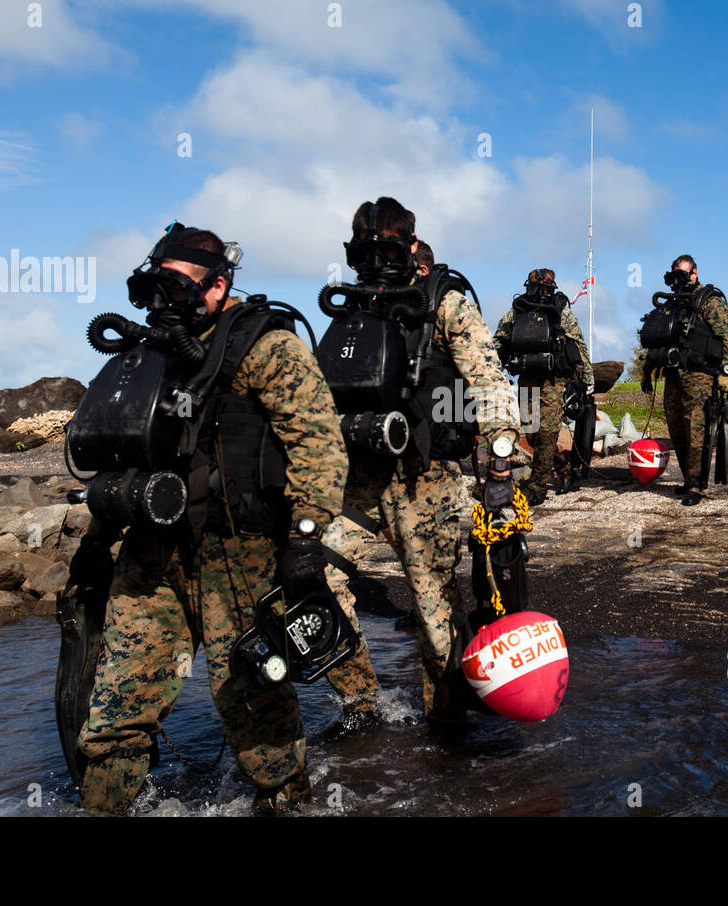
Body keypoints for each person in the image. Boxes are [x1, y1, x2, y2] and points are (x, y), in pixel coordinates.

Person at [72, 226, 349, 814]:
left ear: (219, 285)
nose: (162, 303)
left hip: (240, 559)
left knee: (259, 719)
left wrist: (306, 536)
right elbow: (123, 457)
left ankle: (289, 804)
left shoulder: (266, 347)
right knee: (117, 713)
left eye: (179, 287)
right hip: (153, 555)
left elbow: (319, 446)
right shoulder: (146, 355)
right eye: (155, 288)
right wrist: (97, 541)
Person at [319, 197, 522, 721]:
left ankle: (447, 714)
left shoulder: (445, 301)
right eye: (362, 251)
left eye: (385, 247)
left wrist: (500, 462)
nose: (373, 261)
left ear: (411, 246)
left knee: (433, 612)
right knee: (315, 577)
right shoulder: (352, 306)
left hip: (423, 476)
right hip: (356, 473)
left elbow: (489, 379)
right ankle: (361, 699)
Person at [641, 254, 728, 506]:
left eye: (684, 274)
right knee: (677, 429)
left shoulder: (708, 300)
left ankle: (696, 485)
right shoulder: (671, 304)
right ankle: (688, 479)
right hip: (674, 374)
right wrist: (647, 371)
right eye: (675, 274)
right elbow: (658, 340)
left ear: (694, 273)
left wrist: (727, 370)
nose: (680, 280)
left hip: (699, 375)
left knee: (696, 429)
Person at [493, 268, 594, 505]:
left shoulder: (560, 310)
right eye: (535, 286)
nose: (539, 291)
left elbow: (578, 342)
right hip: (527, 374)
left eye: (544, 287)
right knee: (532, 432)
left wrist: (588, 378)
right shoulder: (517, 310)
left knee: (547, 431)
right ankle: (564, 469)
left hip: (554, 377)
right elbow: (498, 339)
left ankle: (537, 487)